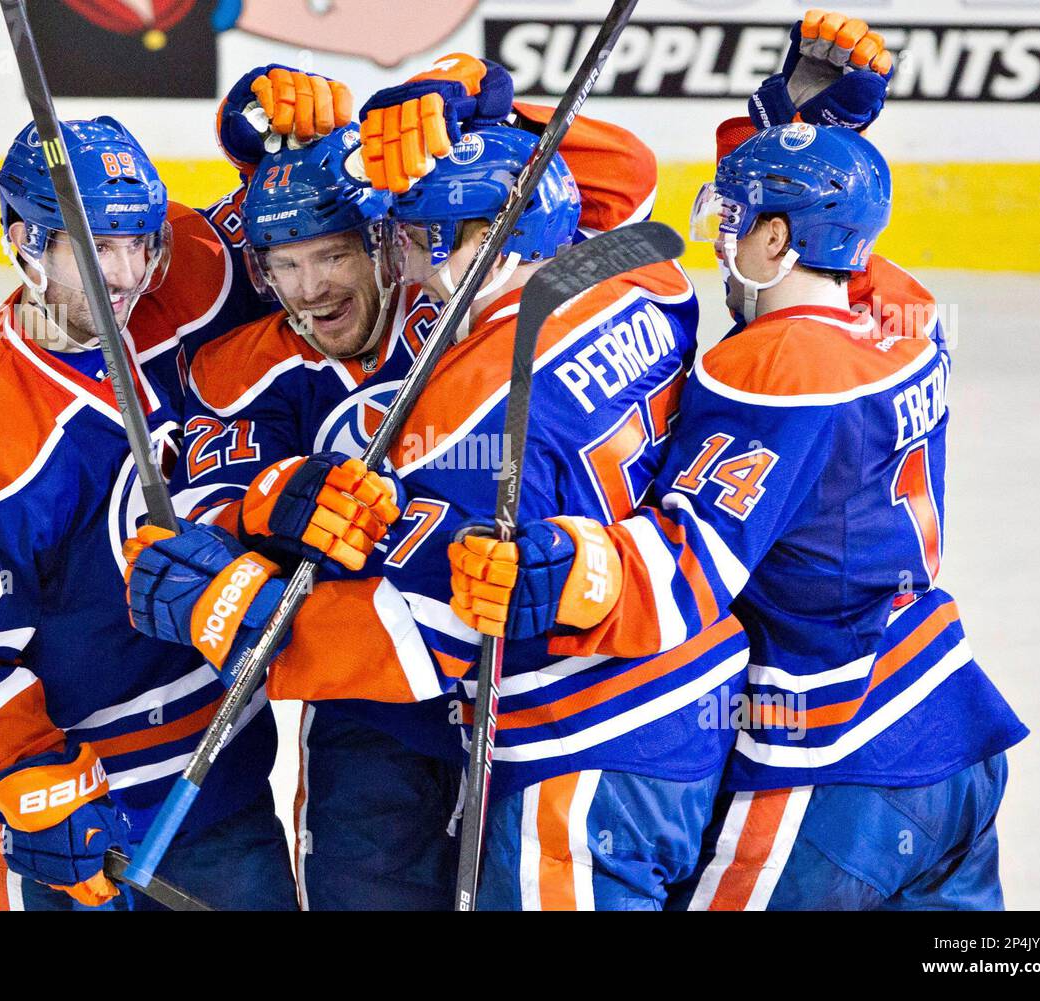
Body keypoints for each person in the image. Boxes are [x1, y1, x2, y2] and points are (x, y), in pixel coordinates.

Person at [124, 97, 735, 908]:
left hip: (513, 693)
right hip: (390, 720)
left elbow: (429, 619)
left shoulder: (452, 335)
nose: (309, 291)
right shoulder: (243, 369)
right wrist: (265, 503)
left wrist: (467, 100)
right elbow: (196, 499)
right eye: (284, 265)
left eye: (334, 255)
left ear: (387, 239)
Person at [449, 120, 1028, 910]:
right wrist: (805, 128)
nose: (720, 243)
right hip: (952, 723)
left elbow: (691, 564)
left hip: (839, 752)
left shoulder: (773, 368)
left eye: (736, 221)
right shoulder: (908, 322)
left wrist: (566, 571)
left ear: (780, 238)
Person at [0, 116, 307, 911]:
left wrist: (296, 145)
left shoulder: (182, 285)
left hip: (217, 782)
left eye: (142, 241)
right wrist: (26, 776)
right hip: (67, 814)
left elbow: (299, 241)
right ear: (26, 244)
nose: (127, 273)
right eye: (96, 247)